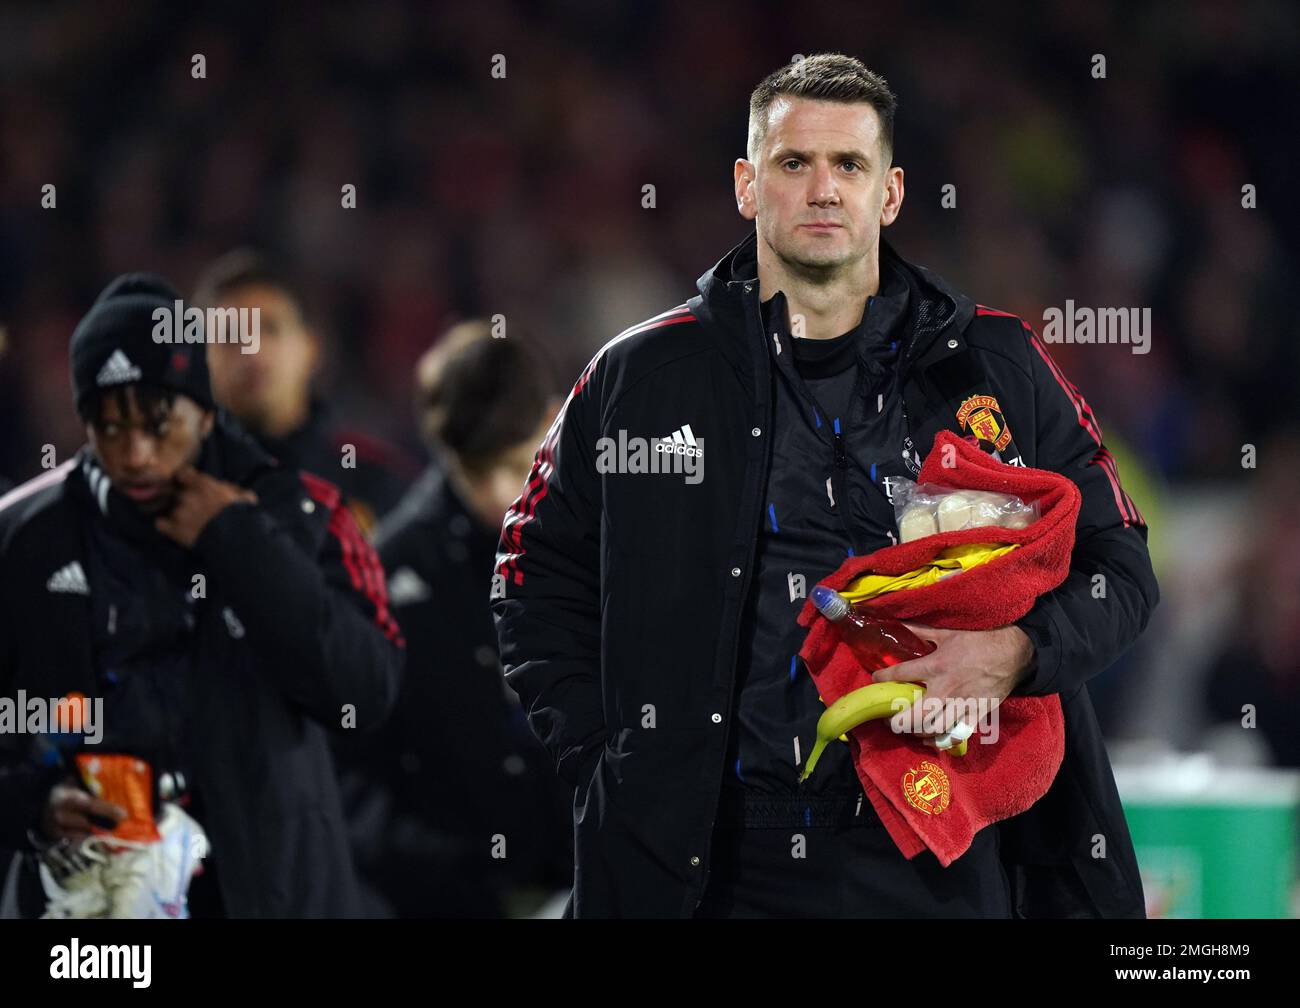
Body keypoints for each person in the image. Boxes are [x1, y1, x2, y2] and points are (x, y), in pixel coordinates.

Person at [490, 53, 1159, 919]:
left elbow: (1121, 562)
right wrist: (609, 758)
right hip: (715, 866)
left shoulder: (997, 367)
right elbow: (531, 577)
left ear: (890, 193)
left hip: (944, 853)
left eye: (849, 165)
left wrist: (1020, 651)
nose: (823, 189)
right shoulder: (642, 376)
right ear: (745, 184)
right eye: (793, 163)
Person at [0, 273, 404, 917]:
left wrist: (239, 543)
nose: (133, 454)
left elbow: (364, 690)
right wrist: (33, 804)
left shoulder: (302, 513)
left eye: (158, 424)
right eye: (108, 427)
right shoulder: (23, 538)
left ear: (206, 412)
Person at [344, 321, 571, 917]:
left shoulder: (615, 540)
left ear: (557, 417)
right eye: (475, 470)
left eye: (517, 463)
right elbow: (353, 784)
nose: (499, 493)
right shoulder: (385, 576)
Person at [194, 250, 418, 538]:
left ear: (311, 348)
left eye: (270, 328)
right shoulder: (172, 488)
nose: (252, 352)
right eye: (229, 335)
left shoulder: (375, 481)